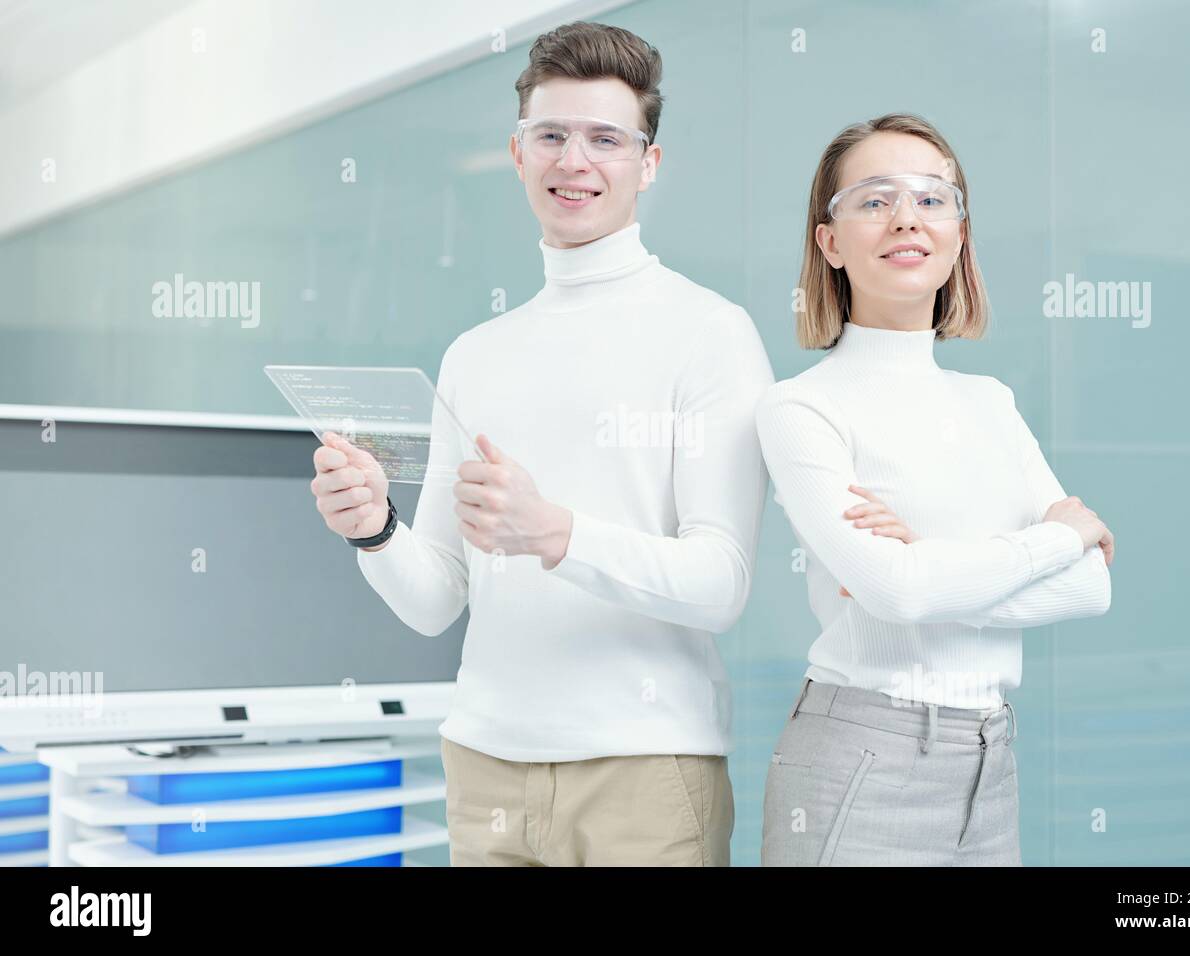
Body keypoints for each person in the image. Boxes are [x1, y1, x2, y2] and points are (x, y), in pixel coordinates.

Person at [309, 21, 773, 866]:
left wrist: (557, 533)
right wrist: (372, 529)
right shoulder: (475, 353)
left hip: (645, 773)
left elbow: (723, 583)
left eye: (605, 139)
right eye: (550, 135)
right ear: (517, 153)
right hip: (484, 767)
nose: (574, 161)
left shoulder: (710, 332)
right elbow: (436, 599)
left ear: (648, 163)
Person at [755, 113, 1114, 866]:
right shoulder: (803, 407)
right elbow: (901, 595)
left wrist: (930, 560)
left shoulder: (992, 402)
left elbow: (1090, 591)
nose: (906, 218)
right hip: (862, 756)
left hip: (990, 758)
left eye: (931, 198)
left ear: (958, 234)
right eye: (874, 199)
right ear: (830, 241)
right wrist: (1060, 536)